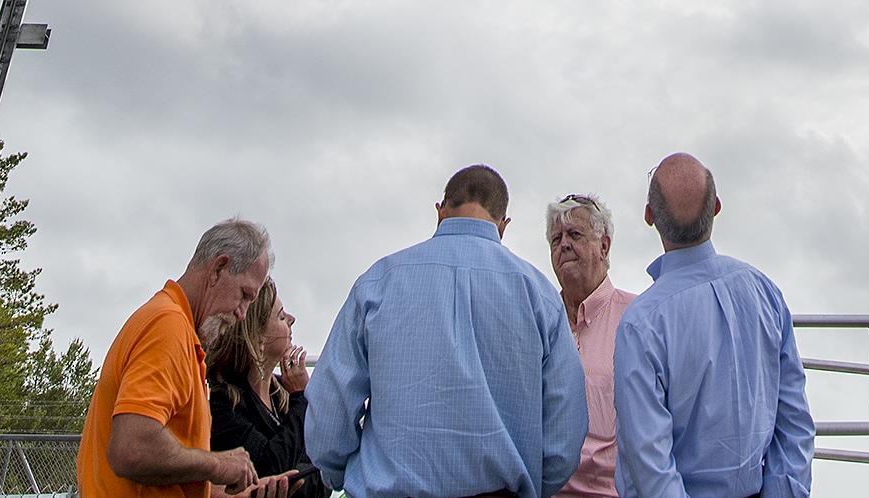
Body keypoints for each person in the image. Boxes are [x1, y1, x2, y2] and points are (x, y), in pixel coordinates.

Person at [306, 163, 587, 498]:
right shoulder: (540, 296)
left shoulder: (377, 283)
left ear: (440, 212)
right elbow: (565, 434)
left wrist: (338, 473)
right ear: (503, 225)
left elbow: (329, 413)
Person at [611, 155, 812, 498]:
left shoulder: (641, 325)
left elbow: (651, 467)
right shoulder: (764, 292)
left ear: (649, 217)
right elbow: (794, 424)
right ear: (716, 207)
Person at [81, 218, 277, 498]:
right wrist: (218, 465)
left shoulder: (179, 331)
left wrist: (244, 494)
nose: (242, 313)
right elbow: (131, 448)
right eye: (244, 295)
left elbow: (165, 476)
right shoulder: (168, 326)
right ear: (218, 268)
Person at [548, 194, 637, 498]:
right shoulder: (538, 320)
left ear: (604, 246)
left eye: (574, 234)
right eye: (556, 239)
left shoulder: (638, 319)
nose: (563, 245)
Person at [211, 279, 325, 498]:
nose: (292, 319)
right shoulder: (224, 403)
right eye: (281, 317)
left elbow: (323, 470)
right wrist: (302, 399)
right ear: (259, 339)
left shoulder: (282, 394)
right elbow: (269, 468)